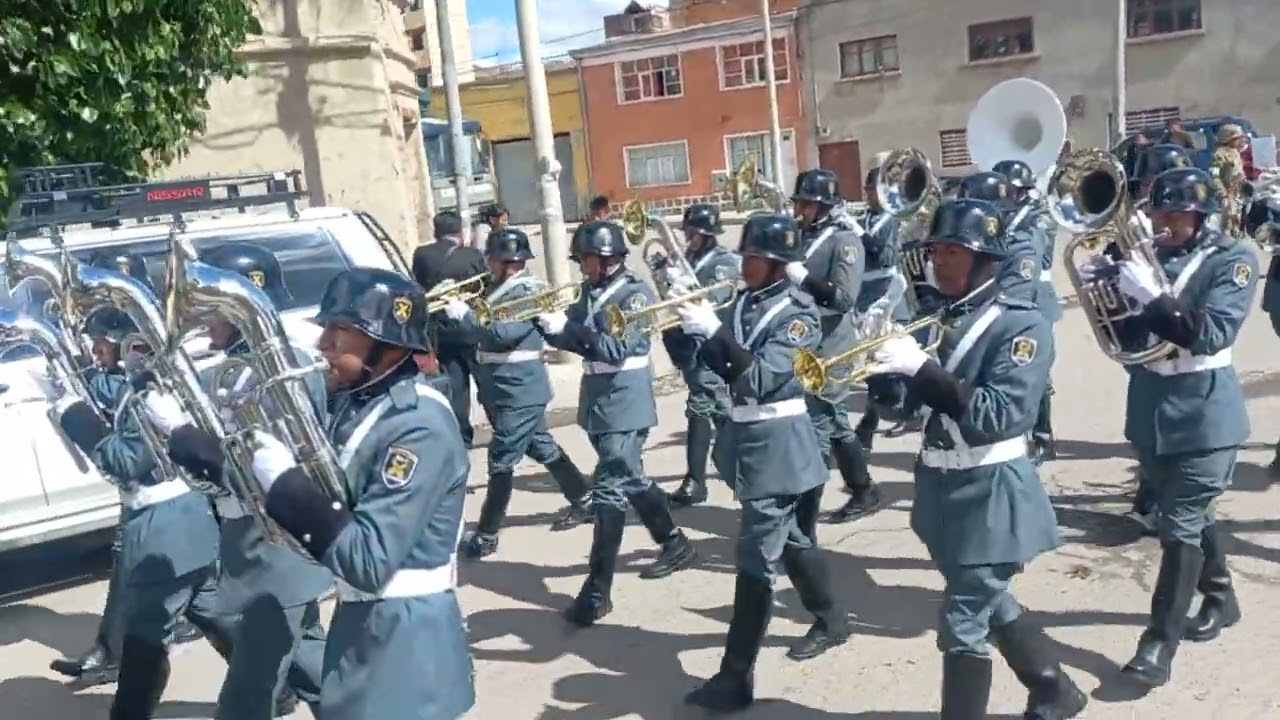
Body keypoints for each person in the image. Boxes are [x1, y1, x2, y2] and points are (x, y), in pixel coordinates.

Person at [863, 197, 1085, 719]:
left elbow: (996, 416)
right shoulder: (939, 315)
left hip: (992, 490)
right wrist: (885, 373)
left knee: (964, 620)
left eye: (953, 252)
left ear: (987, 260)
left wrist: (922, 368)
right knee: (989, 598)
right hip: (942, 490)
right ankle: (1053, 686)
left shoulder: (1022, 326)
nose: (939, 260)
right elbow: (906, 406)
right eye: (936, 249)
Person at [220, 267, 475, 718]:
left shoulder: (417, 426)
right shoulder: (360, 408)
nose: (323, 345)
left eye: (340, 332)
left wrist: (283, 481)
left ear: (388, 342)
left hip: (405, 638)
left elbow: (367, 561)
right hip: (366, 624)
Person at [141, 242, 331, 719]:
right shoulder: (235, 369)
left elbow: (261, 470)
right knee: (311, 661)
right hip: (251, 541)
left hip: (276, 547)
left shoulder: (282, 369)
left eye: (210, 312)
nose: (202, 323)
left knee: (247, 693)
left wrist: (180, 432)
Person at [1083, 167, 1254, 688]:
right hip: (1151, 405)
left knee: (1178, 523)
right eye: (1158, 214)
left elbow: (1207, 334)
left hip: (1205, 411)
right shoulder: (1148, 256)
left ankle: (1158, 644)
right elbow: (1128, 339)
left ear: (1202, 216)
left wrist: (1151, 294)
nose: (1165, 224)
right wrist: (1110, 293)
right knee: (1189, 513)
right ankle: (1221, 596)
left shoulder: (1232, 259)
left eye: (1176, 215)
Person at [676, 214, 848, 712]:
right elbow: (717, 366)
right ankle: (832, 617)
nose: (743, 263)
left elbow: (759, 380)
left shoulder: (800, 316)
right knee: (792, 538)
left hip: (779, 443)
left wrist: (715, 332)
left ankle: (736, 677)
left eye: (754, 257)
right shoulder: (743, 304)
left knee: (755, 557)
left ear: (777, 265)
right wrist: (689, 333)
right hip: (744, 439)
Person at [56, 305, 235, 720]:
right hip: (182, 522)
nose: (95, 349)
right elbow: (107, 390)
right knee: (211, 610)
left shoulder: (153, 387)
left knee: (144, 638)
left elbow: (125, 462)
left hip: (166, 523)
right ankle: (286, 682)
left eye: (102, 341)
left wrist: (70, 412)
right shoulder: (137, 380)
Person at [48, 251, 201, 686]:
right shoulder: (117, 344)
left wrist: (78, 408)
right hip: (150, 496)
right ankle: (111, 649)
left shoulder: (145, 342)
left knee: (182, 587)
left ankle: (120, 654)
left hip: (172, 491)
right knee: (134, 565)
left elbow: (130, 410)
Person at [536, 220, 698, 627]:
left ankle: (597, 591)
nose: (583, 267)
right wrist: (550, 328)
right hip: (599, 401)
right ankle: (674, 543)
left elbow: (618, 347)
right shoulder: (590, 292)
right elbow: (575, 339)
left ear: (608, 258)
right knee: (629, 478)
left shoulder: (634, 295)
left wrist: (571, 330)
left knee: (608, 491)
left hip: (626, 401)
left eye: (587, 259)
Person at [445, 228, 594, 558]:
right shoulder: (497, 287)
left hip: (521, 391)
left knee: (500, 459)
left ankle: (487, 533)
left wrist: (465, 318)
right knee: (541, 447)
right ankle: (585, 499)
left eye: (491, 259)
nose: (487, 264)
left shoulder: (528, 292)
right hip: (500, 388)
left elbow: (502, 334)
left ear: (505, 261)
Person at [788, 169, 881, 522]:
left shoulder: (844, 241)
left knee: (818, 428)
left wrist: (803, 278)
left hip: (831, 344)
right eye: (800, 202)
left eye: (807, 203)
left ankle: (801, 521)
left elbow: (843, 298)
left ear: (824, 204)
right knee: (835, 421)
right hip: (803, 340)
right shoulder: (798, 234)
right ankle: (863, 489)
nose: (801, 209)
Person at [1123, 143, 1194, 534]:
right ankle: (1152, 492)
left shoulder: (1192, 232)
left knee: (1179, 431)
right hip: (1144, 344)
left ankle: (1163, 502)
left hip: (1184, 346)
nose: (1151, 192)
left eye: (1157, 182)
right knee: (1148, 426)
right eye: (1147, 184)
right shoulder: (1138, 221)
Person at [659, 203, 740, 507]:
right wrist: (667, 278)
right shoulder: (687, 259)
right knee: (710, 409)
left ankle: (700, 480)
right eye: (687, 231)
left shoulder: (723, 263)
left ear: (708, 234)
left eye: (694, 232)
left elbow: (715, 301)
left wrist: (687, 288)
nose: (688, 237)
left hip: (713, 345)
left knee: (705, 406)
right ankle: (702, 478)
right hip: (690, 346)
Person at [993, 160, 1063, 464]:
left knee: (1037, 371)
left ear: (1020, 190)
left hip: (1036, 299)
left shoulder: (1039, 218)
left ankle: (1043, 438)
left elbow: (1037, 254)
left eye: (1005, 188)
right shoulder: (1006, 216)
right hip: (1010, 294)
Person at [412, 211, 488, 446]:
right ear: (460, 231)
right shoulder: (472, 254)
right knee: (486, 382)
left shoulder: (422, 255)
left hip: (442, 332)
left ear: (436, 231)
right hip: (473, 329)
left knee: (456, 388)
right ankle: (502, 427)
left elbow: (417, 287)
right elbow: (484, 289)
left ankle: (463, 438)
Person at [850, 166, 910, 461]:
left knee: (891, 364)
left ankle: (872, 424)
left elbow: (883, 255)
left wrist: (856, 230)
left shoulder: (890, 217)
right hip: (867, 298)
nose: (868, 194)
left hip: (888, 296)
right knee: (876, 366)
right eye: (867, 188)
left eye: (872, 189)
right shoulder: (868, 217)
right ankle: (872, 424)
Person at [1211, 124, 1248, 238]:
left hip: (1239, 192)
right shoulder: (1219, 155)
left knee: (1239, 220)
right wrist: (1222, 194)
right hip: (1228, 193)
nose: (1240, 141)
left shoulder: (1235, 152)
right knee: (1228, 223)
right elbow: (1215, 176)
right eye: (1236, 139)